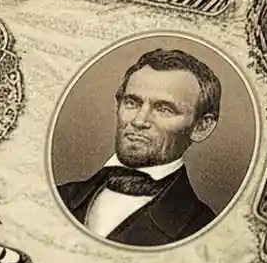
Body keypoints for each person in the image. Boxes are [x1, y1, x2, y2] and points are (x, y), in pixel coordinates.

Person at [58, 48, 221, 247]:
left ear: (201, 127)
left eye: (164, 109)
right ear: (118, 106)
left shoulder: (205, 232)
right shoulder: (60, 196)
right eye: (132, 103)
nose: (139, 120)